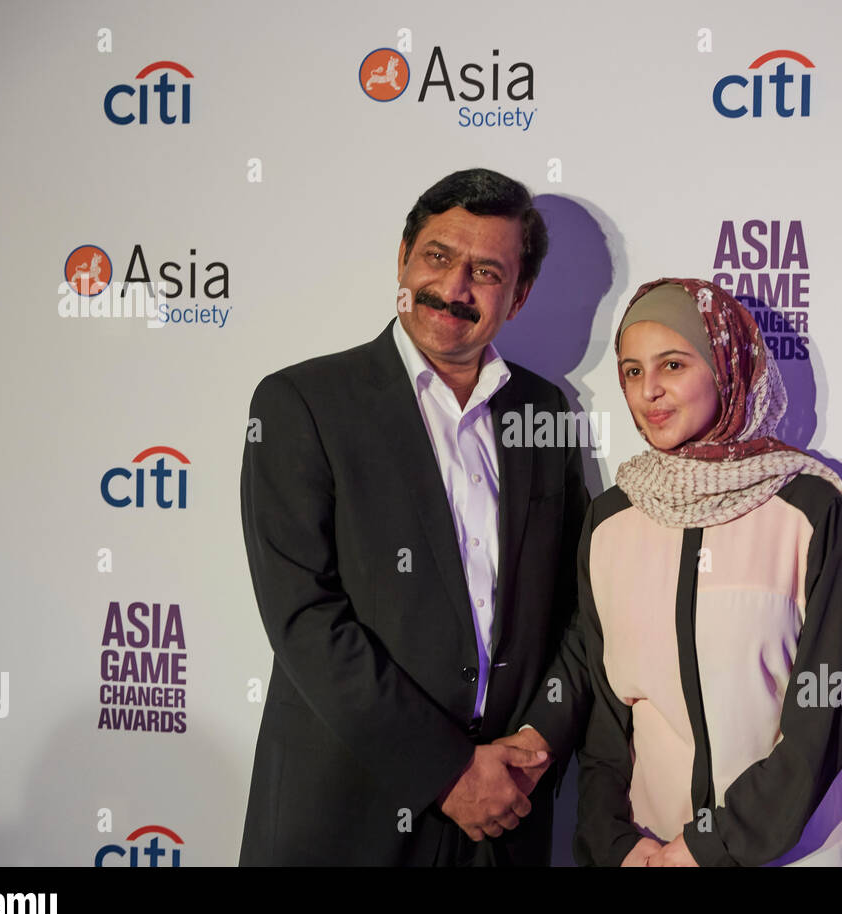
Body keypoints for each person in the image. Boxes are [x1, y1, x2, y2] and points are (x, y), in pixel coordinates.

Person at [238, 168, 591, 865]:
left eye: (486, 271)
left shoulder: (544, 411)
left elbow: (580, 601)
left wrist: (534, 746)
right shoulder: (302, 403)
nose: (453, 288)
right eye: (437, 256)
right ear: (403, 256)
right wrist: (449, 772)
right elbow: (305, 617)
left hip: (505, 820)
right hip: (350, 816)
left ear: (518, 297)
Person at [568, 277, 842, 866]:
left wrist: (705, 851)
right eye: (633, 372)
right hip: (651, 851)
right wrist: (614, 843)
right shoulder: (610, 519)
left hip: (789, 851)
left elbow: (831, 708)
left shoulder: (806, 508)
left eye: (672, 364)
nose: (650, 392)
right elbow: (607, 717)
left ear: (725, 367)